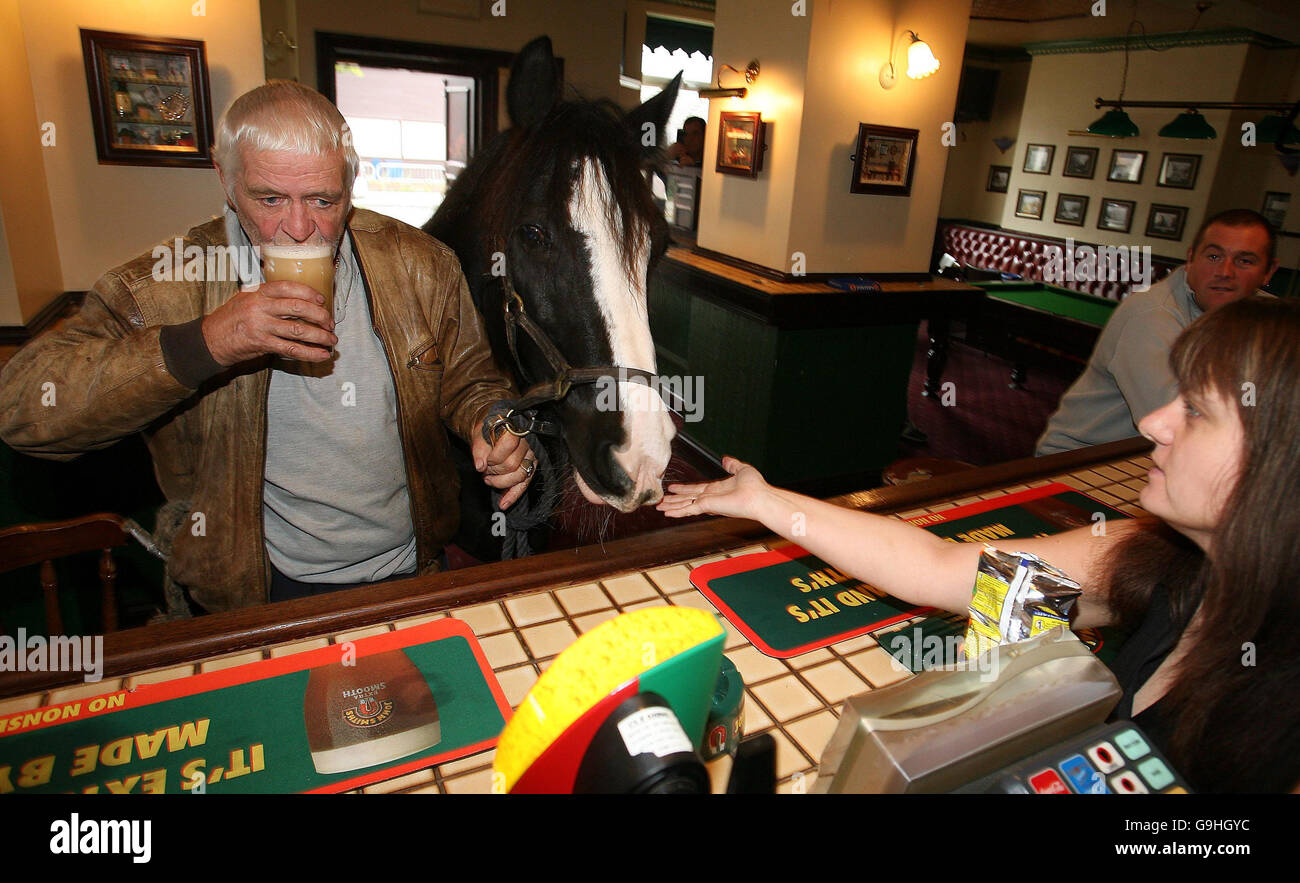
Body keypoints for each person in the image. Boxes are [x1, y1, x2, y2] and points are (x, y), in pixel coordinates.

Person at [659, 295, 1300, 793]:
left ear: (1280, 464)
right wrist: (765, 501)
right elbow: (942, 567)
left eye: (1195, 411)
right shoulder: (1162, 554)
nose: (1152, 421)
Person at [0, 81, 533, 612]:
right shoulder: (166, 282)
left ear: (351, 185)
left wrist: (492, 424)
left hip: (411, 567)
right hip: (254, 593)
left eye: (323, 200)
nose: (299, 229)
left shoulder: (421, 262)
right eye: (270, 198)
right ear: (226, 182)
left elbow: (472, 380)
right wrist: (210, 340)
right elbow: (22, 410)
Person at [1036, 209, 1278, 455]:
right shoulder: (1151, 316)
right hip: (1083, 457)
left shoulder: (1269, 317)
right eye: (1214, 256)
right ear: (1191, 259)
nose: (1225, 272)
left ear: (1268, 273)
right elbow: (1180, 425)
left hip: (1160, 457)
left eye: (1244, 261)